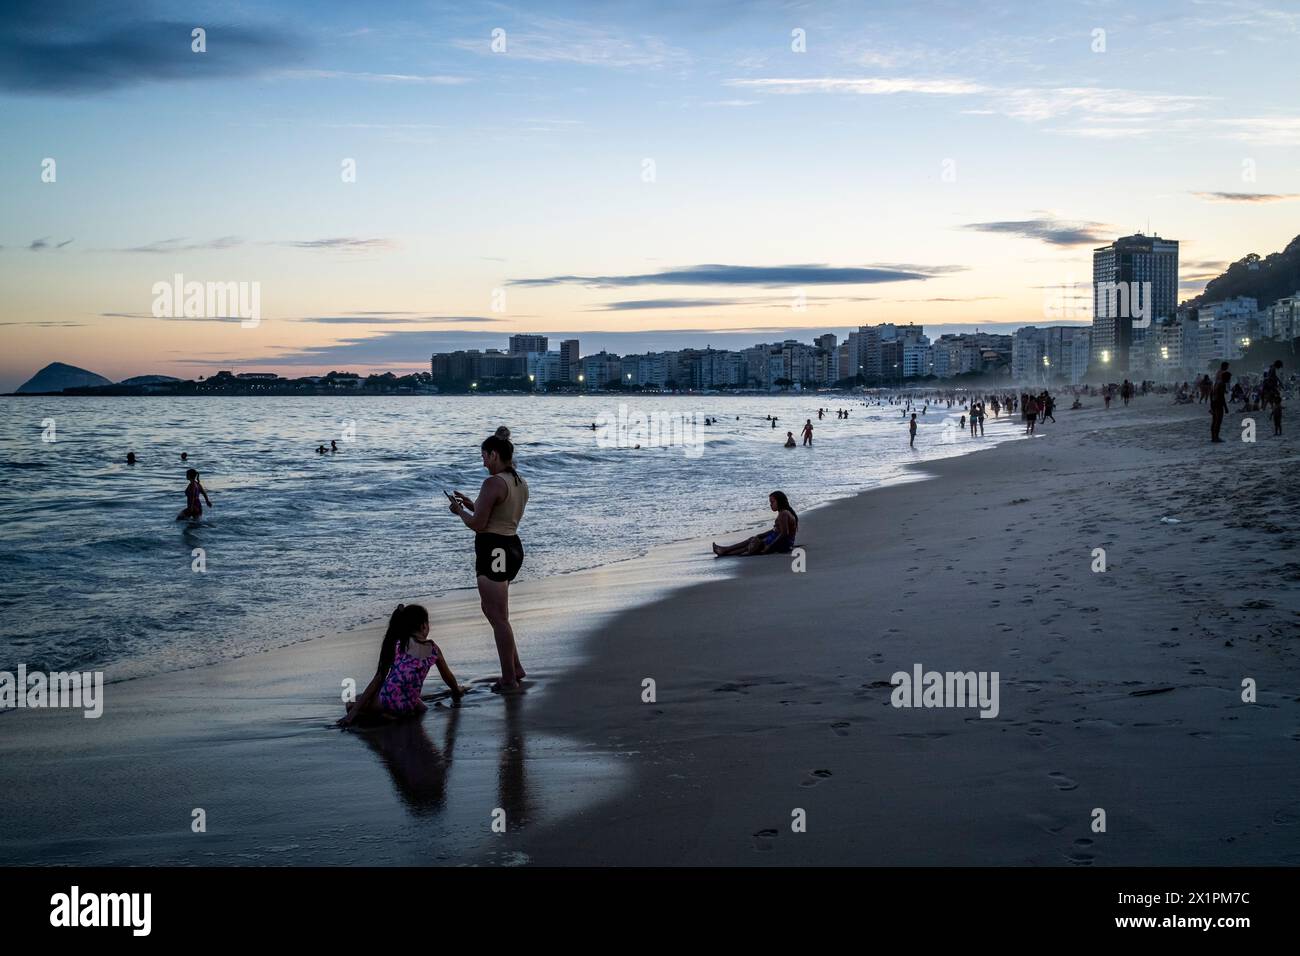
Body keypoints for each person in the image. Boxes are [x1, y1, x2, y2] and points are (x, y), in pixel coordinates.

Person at [449, 427, 528, 693]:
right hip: (511, 546)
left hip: (494, 550)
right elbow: (499, 515)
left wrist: (460, 512)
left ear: (494, 454)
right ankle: (514, 667)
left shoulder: (493, 483)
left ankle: (509, 678)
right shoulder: (517, 480)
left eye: (484, 456)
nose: (483, 462)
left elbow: (479, 524)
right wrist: (473, 504)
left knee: (497, 617)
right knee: (498, 614)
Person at [338, 603, 466, 727]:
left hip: (386, 702)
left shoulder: (398, 644)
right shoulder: (434, 649)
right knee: (413, 698)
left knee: (350, 702)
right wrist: (456, 690)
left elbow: (378, 679)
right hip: (408, 704)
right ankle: (399, 714)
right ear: (423, 626)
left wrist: (352, 713)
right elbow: (447, 676)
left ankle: (386, 716)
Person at [712, 492, 798, 556]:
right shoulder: (783, 513)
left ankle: (725, 551)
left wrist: (769, 546)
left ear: (780, 501)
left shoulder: (784, 514)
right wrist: (761, 535)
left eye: (772, 502)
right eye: (770, 503)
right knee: (753, 539)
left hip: (783, 544)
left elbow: (784, 533)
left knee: (753, 543)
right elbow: (776, 530)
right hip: (780, 541)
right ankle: (724, 550)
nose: (770, 505)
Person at [1210, 362, 1230, 443]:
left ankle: (1213, 437)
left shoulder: (1217, 382)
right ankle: (1216, 437)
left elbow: (1213, 392)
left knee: (1214, 420)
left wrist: (1211, 404)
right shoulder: (1222, 383)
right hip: (1218, 403)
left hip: (1214, 402)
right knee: (1218, 421)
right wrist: (1226, 407)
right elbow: (1222, 397)